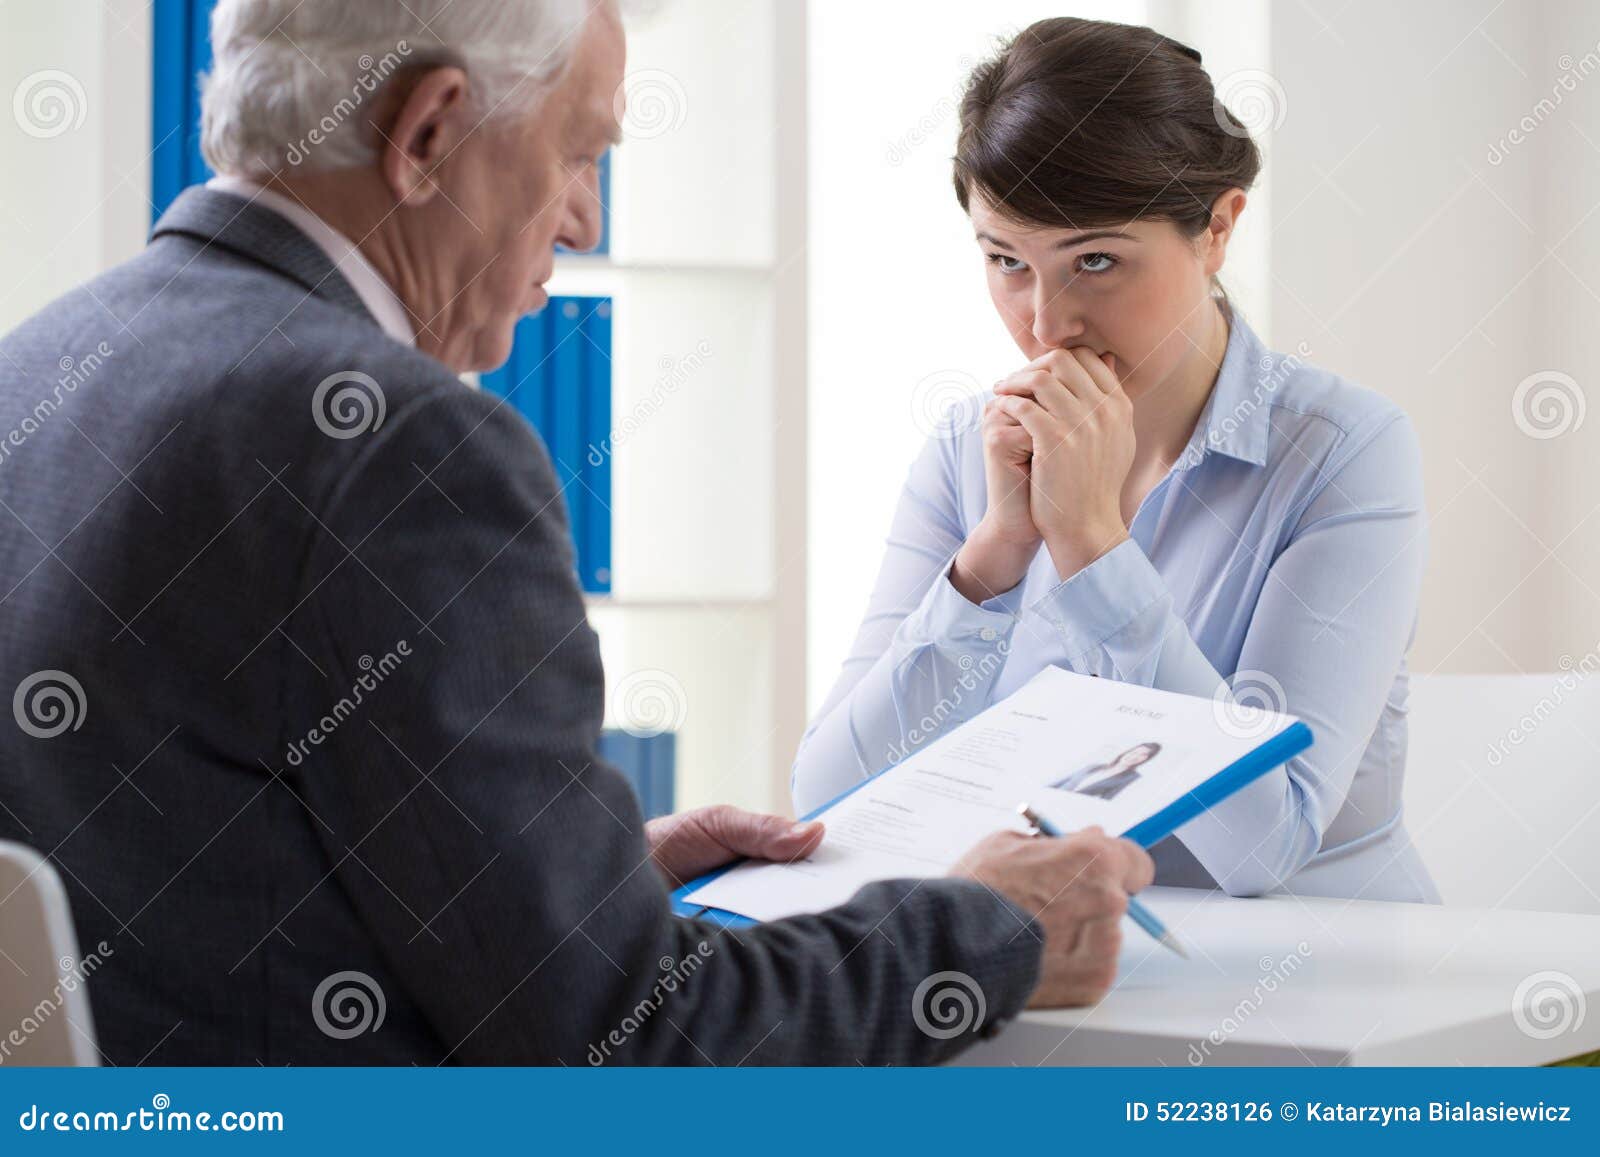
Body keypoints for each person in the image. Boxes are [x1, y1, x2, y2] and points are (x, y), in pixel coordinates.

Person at [0, 0, 1155, 1066]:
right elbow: (628, 1047)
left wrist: (577, 885)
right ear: (429, 133)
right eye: (579, 153)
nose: (585, 215)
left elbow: (194, 883)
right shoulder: (401, 449)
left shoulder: (38, 369)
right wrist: (988, 928)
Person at [793, 17, 1438, 905]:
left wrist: (1097, 548)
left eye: (1095, 259)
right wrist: (993, 558)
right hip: (1062, 989)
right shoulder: (965, 451)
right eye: (1006, 261)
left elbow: (1262, 847)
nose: (1047, 322)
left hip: (1327, 996)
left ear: (1217, 229)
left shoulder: (1343, 453)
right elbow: (826, 798)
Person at [1052, 743, 1163, 801]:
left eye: (1143, 755)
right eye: (1134, 752)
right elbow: (1059, 783)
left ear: (1146, 759)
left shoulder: (1132, 778)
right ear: (1127, 751)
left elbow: (1107, 800)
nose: (1135, 757)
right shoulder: (1095, 766)